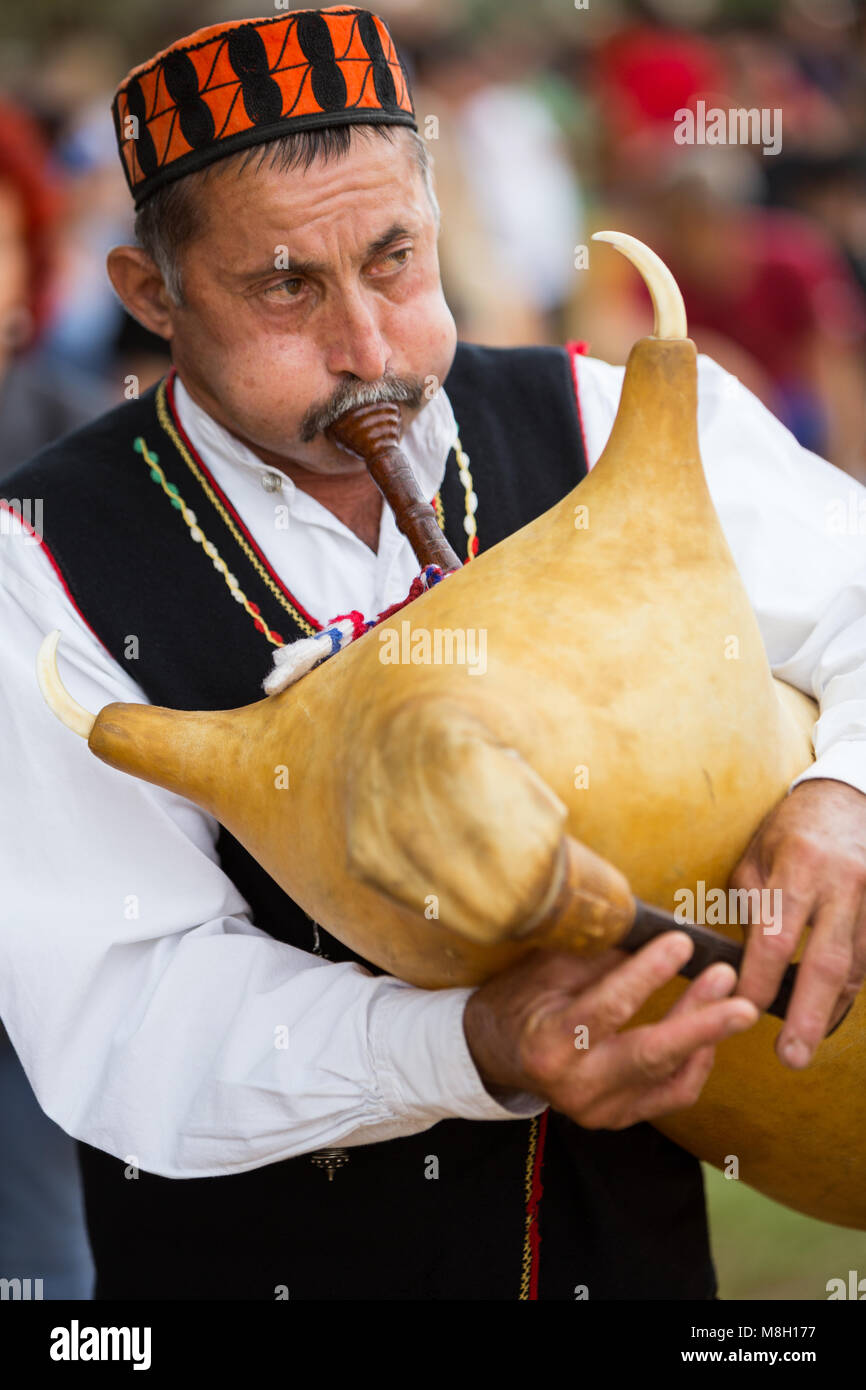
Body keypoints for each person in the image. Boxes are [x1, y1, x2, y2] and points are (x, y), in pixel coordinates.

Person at [1, 7, 865, 1301]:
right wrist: (469, 1043)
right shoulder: (42, 557)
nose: (368, 346)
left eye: (395, 259)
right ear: (150, 297)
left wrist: (841, 794)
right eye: (285, 284)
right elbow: (123, 1017)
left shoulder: (602, 412)